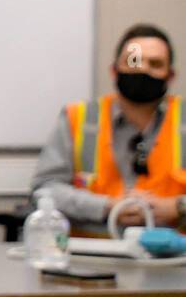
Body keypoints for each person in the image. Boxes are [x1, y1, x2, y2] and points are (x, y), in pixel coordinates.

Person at [31, 23, 186, 235]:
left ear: (170, 76)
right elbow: (44, 190)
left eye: (155, 64)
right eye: (134, 61)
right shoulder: (77, 117)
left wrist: (178, 207)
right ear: (114, 70)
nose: (143, 69)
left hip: (175, 259)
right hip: (89, 258)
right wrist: (106, 206)